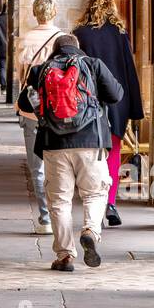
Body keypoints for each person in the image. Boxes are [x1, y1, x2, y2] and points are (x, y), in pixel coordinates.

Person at [21, 34, 122, 271]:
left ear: (55, 51)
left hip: (53, 143)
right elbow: (116, 95)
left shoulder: (40, 70)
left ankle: (65, 255)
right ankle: (90, 231)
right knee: (94, 194)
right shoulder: (93, 65)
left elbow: (25, 104)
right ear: (78, 49)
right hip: (91, 141)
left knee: (59, 201)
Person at [73, 0, 144, 227]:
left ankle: (94, 201)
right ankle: (110, 203)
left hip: (88, 102)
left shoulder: (79, 34)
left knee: (92, 153)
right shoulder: (120, 33)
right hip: (117, 102)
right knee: (113, 151)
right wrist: (134, 107)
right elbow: (129, 70)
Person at [14, 0, 64, 234]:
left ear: (35, 13)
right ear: (54, 12)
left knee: (38, 167)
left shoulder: (26, 39)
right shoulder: (64, 39)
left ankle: (45, 218)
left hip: (32, 111)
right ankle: (59, 215)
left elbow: (20, 75)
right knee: (60, 166)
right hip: (60, 112)